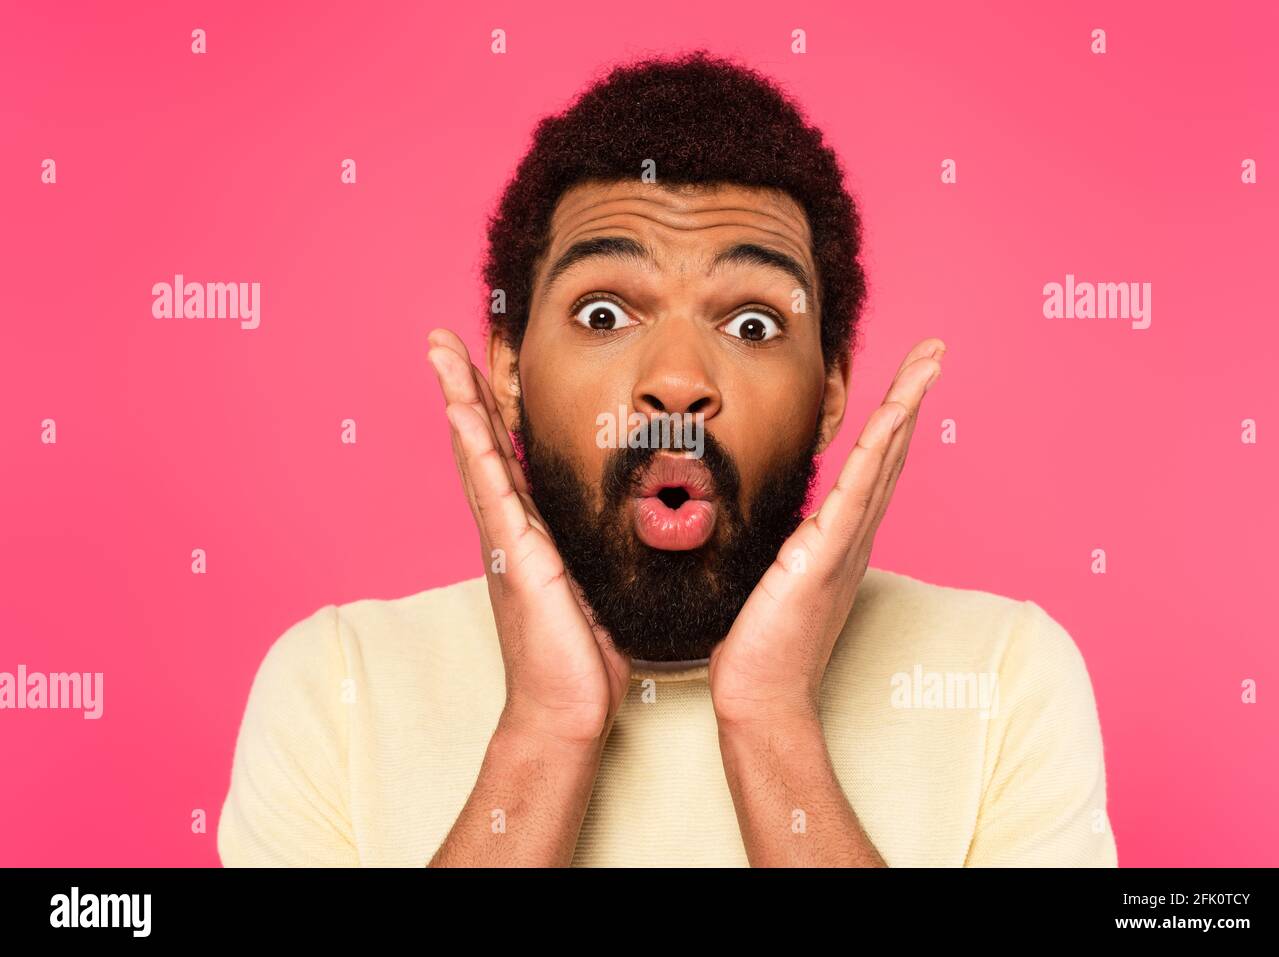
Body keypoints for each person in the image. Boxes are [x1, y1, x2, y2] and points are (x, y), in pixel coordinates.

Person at [217, 50, 1116, 867]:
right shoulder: (335, 686)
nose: (679, 383)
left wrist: (771, 720)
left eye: (753, 323)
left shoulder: (1002, 677)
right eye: (605, 314)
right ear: (509, 364)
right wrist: (545, 730)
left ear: (832, 384)